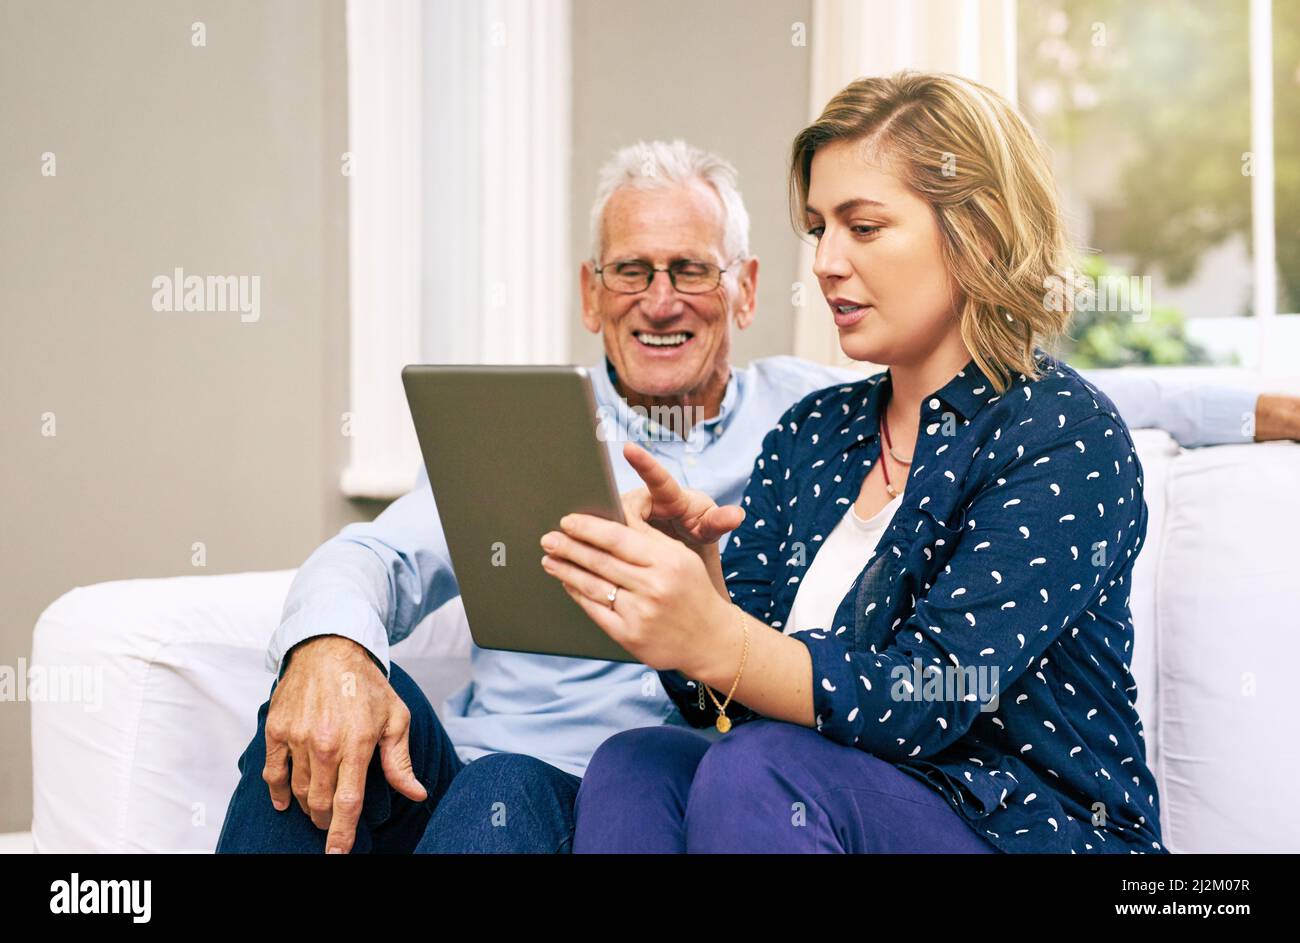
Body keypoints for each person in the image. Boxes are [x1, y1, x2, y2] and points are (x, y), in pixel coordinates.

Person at [217, 131, 1300, 854]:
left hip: (639, 785)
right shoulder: (527, 436)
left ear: (740, 287)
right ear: (591, 298)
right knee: (317, 714)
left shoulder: (817, 413)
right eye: (630, 274)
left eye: (690, 270)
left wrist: (1261, 404)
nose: (659, 302)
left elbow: (1048, 390)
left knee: (550, 795)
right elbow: (373, 559)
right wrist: (330, 652)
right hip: (529, 768)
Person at [546, 72, 1179, 854]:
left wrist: (716, 635)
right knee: (638, 759)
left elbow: (931, 695)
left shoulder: (1060, 435)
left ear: (974, 233)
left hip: (1023, 826)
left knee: (763, 768)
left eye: (864, 227)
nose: (825, 262)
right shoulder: (815, 432)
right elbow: (734, 699)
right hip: (821, 792)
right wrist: (695, 582)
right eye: (819, 228)